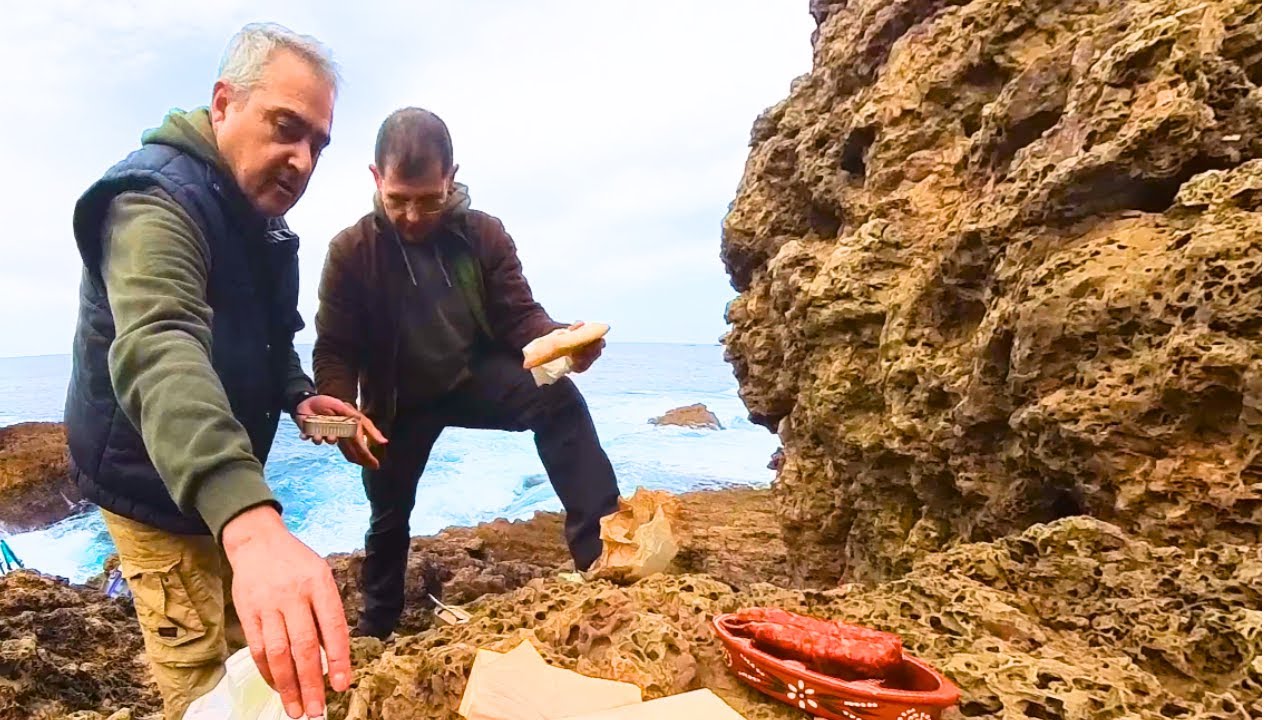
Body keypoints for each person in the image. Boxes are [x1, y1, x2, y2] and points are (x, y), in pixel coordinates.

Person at [63, 23, 375, 720]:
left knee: (250, 641)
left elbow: (270, 339)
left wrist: (300, 396)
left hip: (222, 472)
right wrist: (253, 525)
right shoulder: (151, 202)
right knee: (200, 671)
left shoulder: (260, 221)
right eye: (285, 128)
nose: (300, 160)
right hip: (145, 480)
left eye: (316, 144)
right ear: (224, 102)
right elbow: (160, 343)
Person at [313, 107, 622, 640]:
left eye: (428, 200)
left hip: (472, 379)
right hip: (397, 402)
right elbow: (335, 350)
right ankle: (376, 626)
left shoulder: (484, 235)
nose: (412, 215)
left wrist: (563, 342)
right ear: (376, 179)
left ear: (451, 177)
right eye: (398, 200)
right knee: (388, 517)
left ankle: (603, 564)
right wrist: (338, 406)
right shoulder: (351, 252)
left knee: (559, 401)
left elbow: (519, 316)